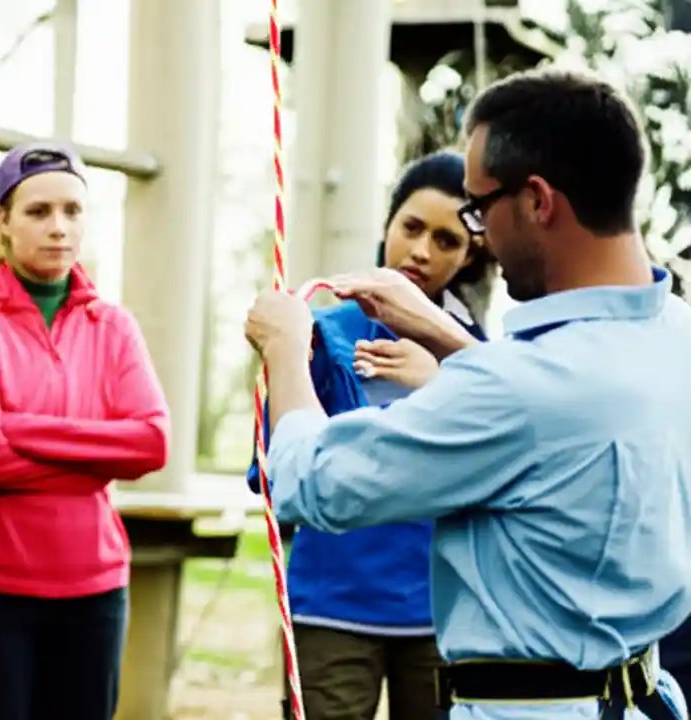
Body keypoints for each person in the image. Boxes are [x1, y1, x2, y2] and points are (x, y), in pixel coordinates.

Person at [245, 68, 691, 719]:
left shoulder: (521, 386)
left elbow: (313, 483)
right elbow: (562, 409)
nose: (482, 239)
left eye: (478, 211)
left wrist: (285, 346)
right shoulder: (673, 335)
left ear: (538, 201)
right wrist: (438, 329)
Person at [0, 141, 171, 720]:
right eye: (38, 212)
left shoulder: (113, 326)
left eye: (72, 211)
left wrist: (22, 427)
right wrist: (97, 455)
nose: (58, 227)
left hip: (93, 593)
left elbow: (151, 442)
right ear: (4, 222)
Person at [248, 151, 493, 720]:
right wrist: (289, 360)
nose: (423, 251)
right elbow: (274, 471)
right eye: (411, 227)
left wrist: (442, 382)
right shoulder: (319, 334)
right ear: (386, 223)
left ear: (470, 253)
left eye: (447, 240)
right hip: (331, 610)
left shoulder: (481, 356)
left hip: (441, 613)